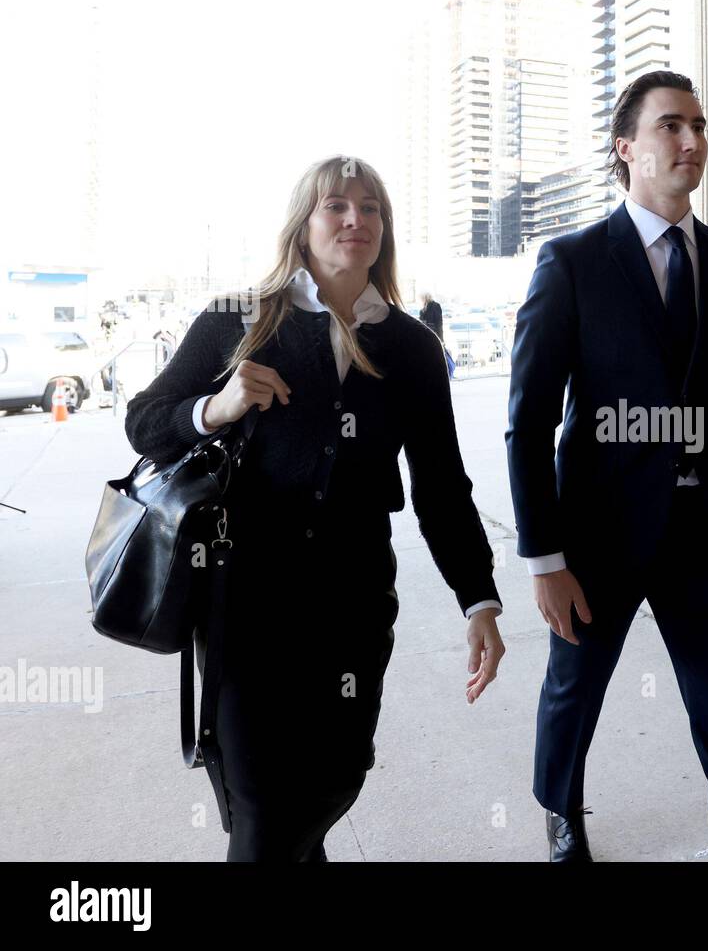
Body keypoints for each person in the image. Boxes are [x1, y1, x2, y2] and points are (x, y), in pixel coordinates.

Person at [123, 155, 506, 861]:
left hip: (353, 609)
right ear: (303, 227)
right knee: (265, 808)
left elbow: (443, 485)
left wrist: (478, 599)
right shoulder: (238, 320)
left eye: (370, 208)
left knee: (332, 780)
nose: (355, 219)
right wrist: (217, 406)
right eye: (336, 206)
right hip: (246, 608)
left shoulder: (412, 347)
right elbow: (144, 421)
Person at [506, 70, 708, 862]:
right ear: (626, 148)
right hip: (598, 537)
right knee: (574, 694)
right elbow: (527, 423)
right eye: (671, 126)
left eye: (699, 124)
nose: (692, 141)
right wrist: (545, 557)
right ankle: (560, 806)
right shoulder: (571, 261)